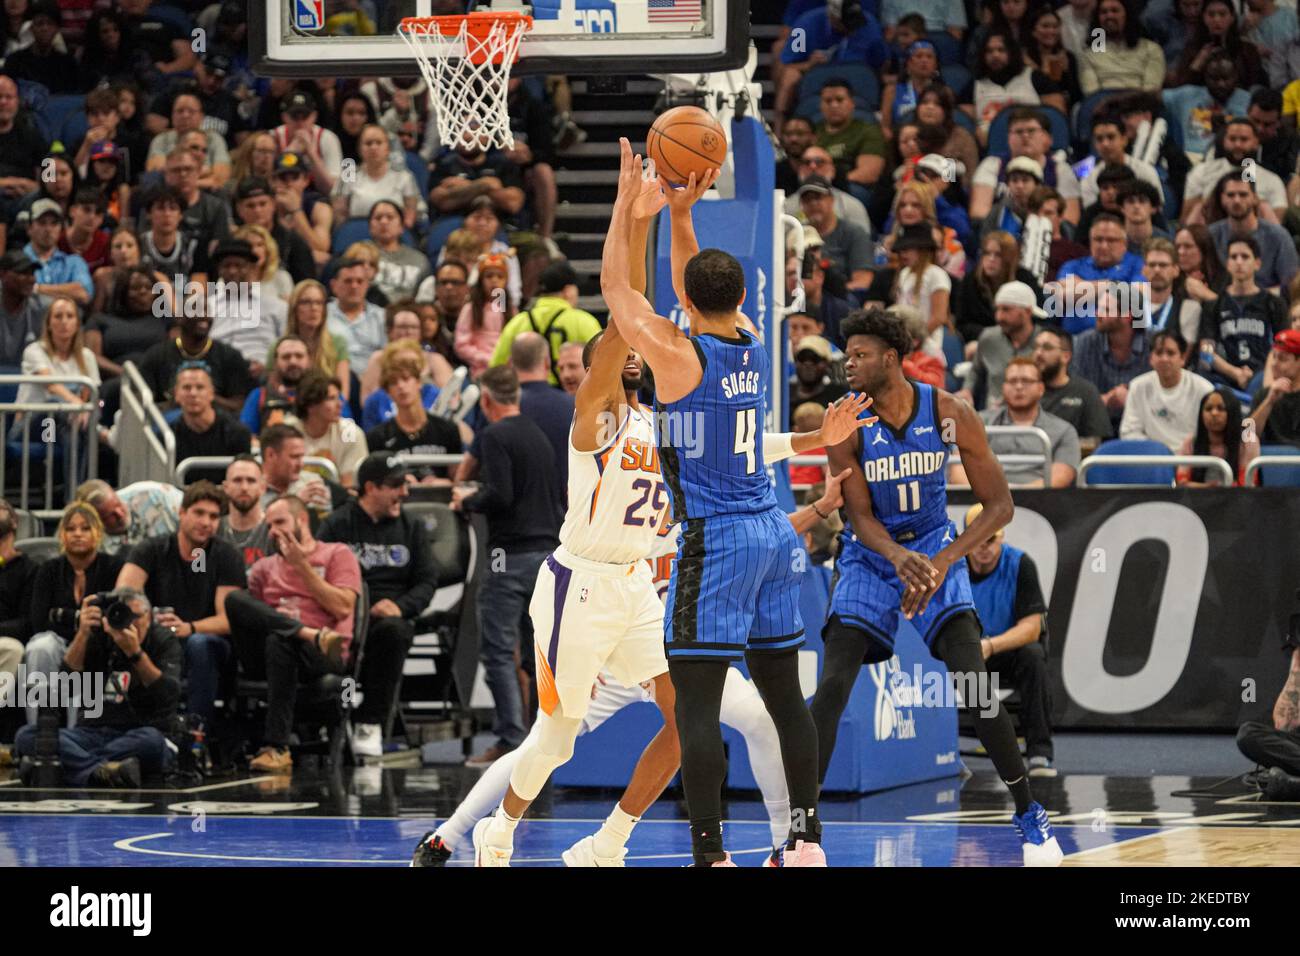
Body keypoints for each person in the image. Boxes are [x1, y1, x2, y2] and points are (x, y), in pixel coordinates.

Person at [601, 143, 827, 868]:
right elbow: (691, 283)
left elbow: (615, 288)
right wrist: (681, 215)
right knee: (786, 703)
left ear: (690, 304)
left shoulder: (676, 356)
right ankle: (806, 844)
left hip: (718, 540)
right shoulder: (750, 336)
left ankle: (711, 856)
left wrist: (627, 207)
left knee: (696, 711)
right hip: (773, 531)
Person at [815, 307, 1060, 864]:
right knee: (832, 687)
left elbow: (999, 506)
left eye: (860, 355)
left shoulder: (949, 412)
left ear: (891, 359)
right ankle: (802, 833)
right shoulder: (845, 421)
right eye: (846, 355)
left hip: (934, 549)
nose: (848, 364)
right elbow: (859, 516)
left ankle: (1029, 815)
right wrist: (898, 557)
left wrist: (942, 560)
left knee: (973, 684)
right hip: (871, 557)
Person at [450, 366, 562, 765]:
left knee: (498, 650)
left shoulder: (494, 435)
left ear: (485, 400)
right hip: (547, 556)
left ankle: (511, 739)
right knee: (537, 654)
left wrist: (466, 500)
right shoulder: (537, 434)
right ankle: (540, 738)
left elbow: (500, 494)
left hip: (508, 557)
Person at [226, 495, 362, 774]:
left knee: (281, 640)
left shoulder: (337, 554)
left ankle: (276, 748)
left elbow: (343, 607)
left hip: (324, 652)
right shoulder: (264, 568)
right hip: (275, 652)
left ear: (302, 520)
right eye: (269, 526)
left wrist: (301, 566)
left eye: (280, 522)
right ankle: (306, 633)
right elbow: (253, 616)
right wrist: (300, 630)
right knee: (235, 600)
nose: (273, 532)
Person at [317, 454, 437, 758]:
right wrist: (351, 606)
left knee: (394, 632)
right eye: (395, 485)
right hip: (344, 614)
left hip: (390, 618)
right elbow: (317, 573)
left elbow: (427, 581)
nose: (404, 493)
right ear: (370, 488)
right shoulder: (337, 524)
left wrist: (401, 607)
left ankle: (370, 722)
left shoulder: (412, 527)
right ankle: (319, 720)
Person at [15, 587, 180, 788]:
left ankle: (75, 766)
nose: (129, 623)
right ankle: (101, 771)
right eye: (122, 615)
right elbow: (66, 685)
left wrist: (135, 653)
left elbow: (167, 695)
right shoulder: (100, 635)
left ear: (149, 616)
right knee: (27, 736)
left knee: (152, 742)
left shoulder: (162, 639)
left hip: (138, 731)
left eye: (135, 616)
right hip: (90, 732)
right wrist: (83, 633)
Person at [116, 481, 245, 727]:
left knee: (199, 644)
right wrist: (150, 620)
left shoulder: (226, 555)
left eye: (214, 516)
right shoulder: (152, 549)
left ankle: (196, 733)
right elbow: (124, 594)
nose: (206, 522)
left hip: (208, 645)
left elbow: (227, 619)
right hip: (158, 637)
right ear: (181, 512)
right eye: (199, 513)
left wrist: (188, 628)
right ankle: (128, 727)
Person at [963, 502, 1054, 776]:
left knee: (1033, 655)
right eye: (977, 539)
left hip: (1004, 651)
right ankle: (941, 754)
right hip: (964, 650)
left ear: (1001, 537)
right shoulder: (952, 567)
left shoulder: (1020, 564)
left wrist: (991, 646)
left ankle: (1039, 752)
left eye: (990, 539)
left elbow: (1032, 628)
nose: (984, 547)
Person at [24, 502, 124, 725]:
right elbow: (39, 622)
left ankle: (78, 732)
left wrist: (62, 616)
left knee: (91, 649)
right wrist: (79, 619)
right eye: (71, 529)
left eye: (85, 528)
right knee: (40, 646)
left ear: (98, 533)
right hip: (57, 644)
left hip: (99, 645)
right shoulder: (48, 570)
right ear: (62, 535)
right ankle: (38, 729)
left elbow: (113, 617)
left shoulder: (115, 567)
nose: (77, 534)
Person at [957, 356, 1081, 487]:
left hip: (1040, 497)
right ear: (1003, 388)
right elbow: (958, 470)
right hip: (985, 496)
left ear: (1041, 388)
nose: (1019, 386)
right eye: (1012, 381)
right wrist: (995, 495)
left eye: (1026, 381)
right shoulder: (976, 422)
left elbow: (1061, 476)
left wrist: (1018, 494)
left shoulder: (1064, 431)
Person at [1197, 236, 1287, 392]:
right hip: (1225, 376)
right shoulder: (1213, 305)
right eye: (1233, 257)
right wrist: (1235, 373)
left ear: (1257, 263)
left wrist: (1263, 374)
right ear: (1227, 264)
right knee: (1202, 376)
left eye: (1245, 257)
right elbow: (1206, 352)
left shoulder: (1273, 303)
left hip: (1263, 374)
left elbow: (1282, 348)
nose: (1239, 262)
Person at [489, 262, 602, 384]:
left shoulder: (517, 323)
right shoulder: (584, 321)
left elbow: (496, 367)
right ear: (568, 291)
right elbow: (603, 362)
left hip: (526, 393)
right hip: (573, 392)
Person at [136, 307, 251, 412]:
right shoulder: (157, 355)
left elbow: (238, 406)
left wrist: (205, 398)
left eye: (206, 310)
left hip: (216, 421)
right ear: (180, 318)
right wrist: (174, 403)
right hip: (169, 421)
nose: (203, 315)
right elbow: (142, 405)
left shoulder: (229, 356)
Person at [1052, 213, 1147, 335]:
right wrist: (1116, 285)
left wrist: (1082, 287)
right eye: (1098, 239)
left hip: (1117, 337)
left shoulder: (1137, 264)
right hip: (1073, 338)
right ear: (1090, 242)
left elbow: (1136, 295)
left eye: (1111, 240)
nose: (1104, 246)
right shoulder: (1073, 266)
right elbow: (1063, 295)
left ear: (1124, 244)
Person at [1118, 330, 1213, 451]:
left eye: (1170, 353)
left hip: (1191, 457)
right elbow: (1128, 432)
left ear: (1183, 358)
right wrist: (1157, 452)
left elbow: (1211, 434)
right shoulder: (1137, 387)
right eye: (1158, 353)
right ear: (1151, 358)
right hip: (1150, 457)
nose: (1164, 359)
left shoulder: (1203, 389)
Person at [205, 238, 287, 378]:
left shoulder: (277, 307)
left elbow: (287, 346)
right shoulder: (207, 307)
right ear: (219, 270)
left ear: (252, 268)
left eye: (239, 265)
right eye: (226, 266)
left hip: (263, 375)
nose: (232, 271)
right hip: (218, 374)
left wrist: (269, 368)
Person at [1070, 290, 1152, 429]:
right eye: (1099, 308)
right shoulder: (1085, 342)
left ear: (1127, 316)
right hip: (1096, 423)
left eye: (1106, 310)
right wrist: (1107, 399)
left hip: (1144, 424)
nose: (1097, 313)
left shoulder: (1153, 344)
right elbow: (1075, 397)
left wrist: (1130, 399)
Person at [1183, 120, 1289, 225]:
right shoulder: (1201, 172)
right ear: (1224, 141)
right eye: (1232, 139)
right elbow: (1186, 221)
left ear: (1256, 143)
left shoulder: (1272, 180)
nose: (1237, 145)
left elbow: (1276, 226)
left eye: (1244, 139)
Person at [960, 280, 1045, 411]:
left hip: (1035, 413)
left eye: (1006, 310)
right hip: (993, 415)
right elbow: (976, 370)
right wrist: (967, 390)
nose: (999, 317)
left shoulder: (1044, 342)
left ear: (1027, 311)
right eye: (997, 309)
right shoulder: (988, 338)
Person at [1205, 176, 1298, 294]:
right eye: (1231, 195)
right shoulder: (1211, 234)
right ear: (1222, 199)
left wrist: (1253, 297)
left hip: (1268, 302)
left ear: (1255, 198)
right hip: (1218, 301)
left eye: (1243, 195)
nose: (1237, 200)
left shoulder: (1278, 236)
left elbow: (1291, 285)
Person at [166, 363, 253, 484]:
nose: (193, 393)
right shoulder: (167, 437)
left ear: (212, 393)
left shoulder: (237, 433)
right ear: (176, 394)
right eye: (186, 387)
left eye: (200, 387)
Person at [1034, 324, 1111, 454]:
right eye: (1036, 347)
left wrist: (1057, 448)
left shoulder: (1086, 392)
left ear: (1066, 357)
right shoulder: (1026, 390)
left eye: (1047, 348)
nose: (1038, 353)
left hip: (1073, 461)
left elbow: (1094, 442)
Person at [292, 370, 368, 489]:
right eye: (331, 398)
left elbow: (349, 487)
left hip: (337, 498)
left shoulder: (350, 433)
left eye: (339, 397)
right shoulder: (287, 432)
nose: (340, 404)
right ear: (310, 405)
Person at [798, 176, 873, 291]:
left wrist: (836, 292)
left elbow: (863, 281)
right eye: (807, 200)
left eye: (818, 198)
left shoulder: (854, 233)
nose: (813, 203)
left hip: (843, 296)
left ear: (831, 200)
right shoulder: (797, 234)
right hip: (803, 294)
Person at [814, 78, 887, 196]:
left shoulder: (868, 131)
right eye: (828, 101)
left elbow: (869, 174)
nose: (834, 105)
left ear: (852, 104)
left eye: (839, 100)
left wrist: (831, 182)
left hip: (849, 189)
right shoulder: (813, 131)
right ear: (821, 106)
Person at [1077, 0, 1165, 95]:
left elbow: (1151, 89)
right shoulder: (1089, 54)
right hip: (1102, 101)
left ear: (1127, 15)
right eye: (1104, 12)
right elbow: (1091, 92)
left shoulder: (1151, 49)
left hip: (1140, 100)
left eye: (1115, 11)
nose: (1109, 16)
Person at [75, 477, 181, 555]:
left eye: (118, 504)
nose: (120, 514)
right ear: (95, 522)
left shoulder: (157, 495)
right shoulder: (90, 541)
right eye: (110, 515)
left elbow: (190, 516)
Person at [1176, 387, 1257, 486]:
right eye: (1208, 409)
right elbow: (1182, 482)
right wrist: (1208, 488)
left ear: (1232, 412)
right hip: (1197, 494)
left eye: (1221, 408)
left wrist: (1216, 490)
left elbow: (1247, 483)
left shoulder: (1247, 441)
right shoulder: (1191, 442)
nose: (1214, 413)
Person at [24, 198, 93, 307]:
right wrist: (66, 291)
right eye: (42, 223)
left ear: (61, 228)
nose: (48, 229)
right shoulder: (17, 262)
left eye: (54, 223)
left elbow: (83, 294)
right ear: (29, 228)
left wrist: (35, 288)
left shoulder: (74, 262)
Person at [327, 257, 388, 372]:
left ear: (367, 285)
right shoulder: (323, 315)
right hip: (333, 375)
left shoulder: (382, 317)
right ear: (334, 286)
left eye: (360, 281)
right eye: (348, 281)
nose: (354, 286)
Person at [1141, 238, 1202, 349]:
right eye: (1152, 265)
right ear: (1144, 270)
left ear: (1176, 270)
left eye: (1163, 265)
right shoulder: (1131, 306)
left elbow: (1184, 354)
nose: (1157, 270)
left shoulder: (1189, 309)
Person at [0, 500, 35, 690]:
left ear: (14, 522)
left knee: (12, 649)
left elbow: (27, 623)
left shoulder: (30, 569)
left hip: (4, 641)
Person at [258, 423, 333, 512]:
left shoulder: (311, 482)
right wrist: (296, 503)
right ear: (270, 455)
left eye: (302, 456)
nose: (301, 464)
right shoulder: (251, 488)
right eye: (294, 457)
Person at [368, 199, 430, 303]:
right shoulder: (359, 255)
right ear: (370, 227)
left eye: (390, 217)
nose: (384, 222)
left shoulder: (419, 260)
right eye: (378, 218)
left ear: (401, 226)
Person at [1247, 330, 1300, 450]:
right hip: (1270, 458)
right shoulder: (1264, 395)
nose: (1274, 364)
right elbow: (1246, 436)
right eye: (1274, 357)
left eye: (1282, 359)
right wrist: (1269, 402)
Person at [217, 454, 272, 567]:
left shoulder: (274, 530)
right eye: (237, 480)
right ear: (226, 487)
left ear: (263, 488)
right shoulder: (212, 529)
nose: (244, 488)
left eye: (251, 481)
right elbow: (197, 571)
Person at [0, 250, 46, 366]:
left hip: (31, 375)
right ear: (3, 274)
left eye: (32, 273)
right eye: (23, 273)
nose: (32, 279)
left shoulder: (42, 309)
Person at [791, 334, 849, 408]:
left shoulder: (839, 396)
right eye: (802, 358)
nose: (808, 364)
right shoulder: (782, 393)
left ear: (827, 363)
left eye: (815, 359)